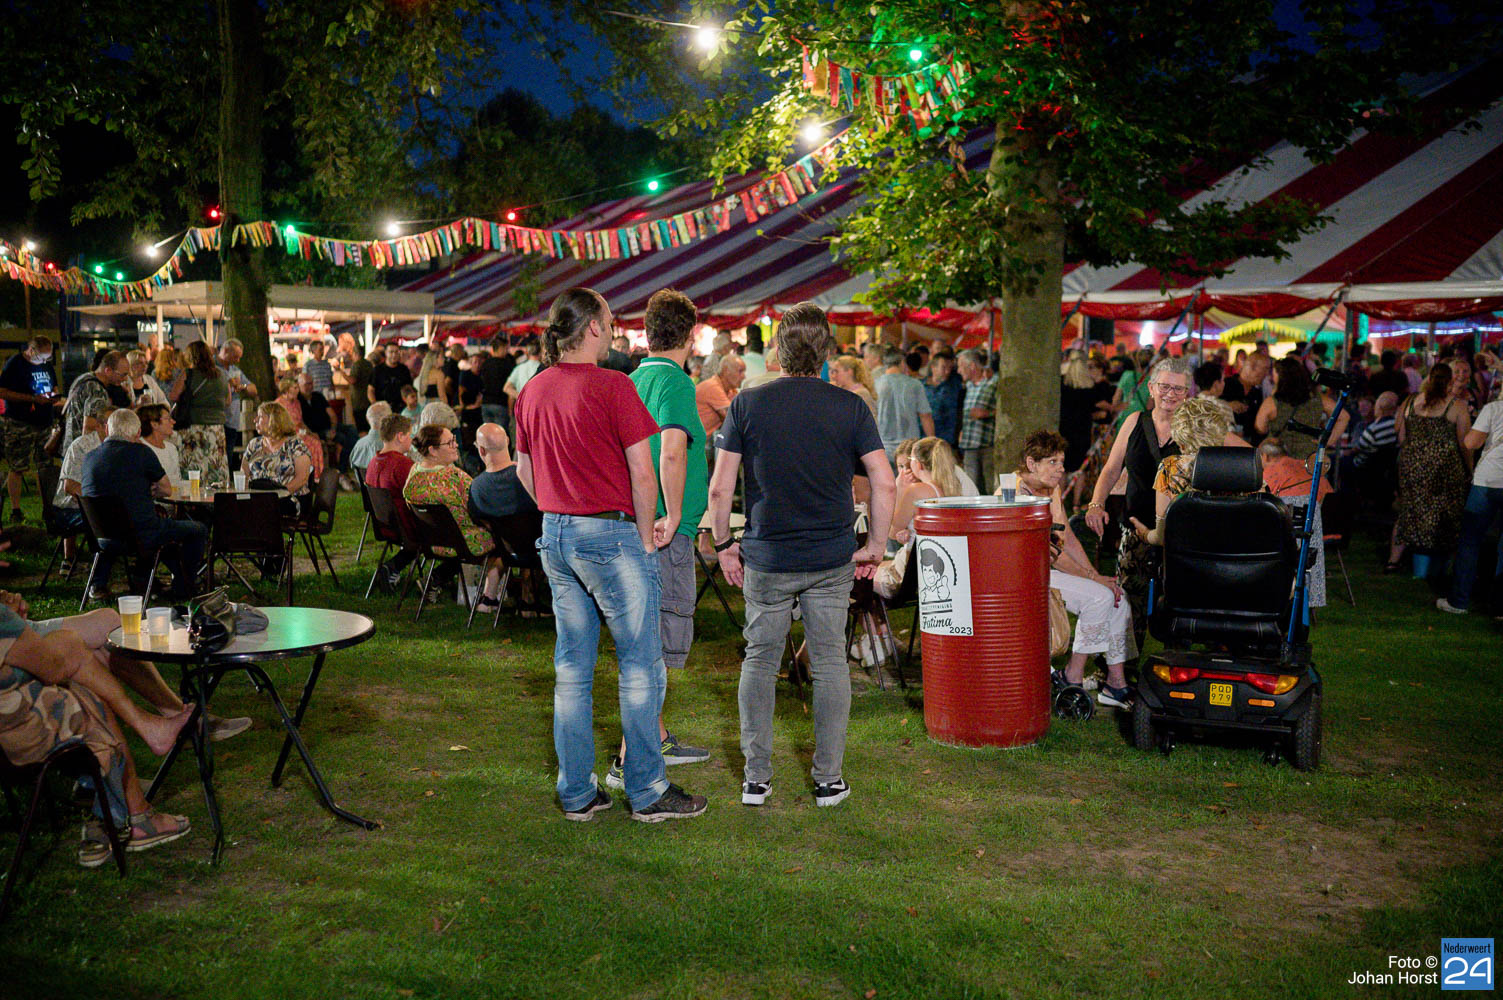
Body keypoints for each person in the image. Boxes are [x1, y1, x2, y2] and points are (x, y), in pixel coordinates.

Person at [514, 286, 706, 823]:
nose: (616, 329)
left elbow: (524, 472)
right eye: (610, 321)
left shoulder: (532, 390)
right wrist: (645, 539)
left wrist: (558, 509)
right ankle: (646, 790)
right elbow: (644, 474)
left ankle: (577, 791)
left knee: (572, 669)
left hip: (557, 536)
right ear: (593, 329)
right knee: (640, 667)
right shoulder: (612, 387)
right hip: (612, 536)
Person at [708, 301, 894, 809]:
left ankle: (756, 778)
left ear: (778, 349)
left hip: (768, 555)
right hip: (831, 555)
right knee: (831, 662)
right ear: (827, 352)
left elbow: (721, 489)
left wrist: (723, 544)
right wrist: (876, 546)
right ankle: (828, 779)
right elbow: (883, 479)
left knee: (760, 660)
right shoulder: (850, 405)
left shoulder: (748, 403)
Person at [602, 288, 714, 792]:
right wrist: (669, 515)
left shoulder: (631, 380)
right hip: (663, 532)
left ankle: (658, 737)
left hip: (632, 525)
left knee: (642, 637)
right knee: (658, 646)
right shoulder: (674, 382)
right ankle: (630, 758)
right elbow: (672, 450)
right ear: (690, 335)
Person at [0, 593, 196, 866]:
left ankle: (152, 728)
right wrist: (10, 620)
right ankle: (136, 816)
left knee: (93, 637)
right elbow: (52, 668)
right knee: (83, 682)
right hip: (16, 740)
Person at [1087, 358, 1234, 644]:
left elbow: (1243, 454)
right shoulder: (1134, 422)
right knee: (1128, 605)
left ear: (1187, 394)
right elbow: (1111, 468)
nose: (1171, 394)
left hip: (1184, 536)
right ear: (1151, 388)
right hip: (1136, 527)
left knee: (1181, 604)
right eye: (1164, 386)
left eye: (1179, 389)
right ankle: (1119, 677)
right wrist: (1096, 503)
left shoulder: (1196, 428)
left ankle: (1176, 672)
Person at [1016, 431, 1137, 708]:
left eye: (1061, 462)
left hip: (1048, 569)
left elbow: (1067, 538)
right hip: (1026, 575)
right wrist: (1094, 579)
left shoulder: (1051, 488)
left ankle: (1115, 684)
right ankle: (1072, 676)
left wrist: (1094, 574)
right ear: (1032, 464)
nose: (1061, 469)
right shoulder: (1016, 492)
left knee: (1118, 598)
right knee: (1101, 597)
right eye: (1053, 462)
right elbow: (1051, 553)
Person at [80, 409, 207, 599]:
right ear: (138, 433)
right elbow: (166, 489)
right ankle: (184, 585)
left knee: (154, 527)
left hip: (101, 536)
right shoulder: (141, 452)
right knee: (197, 529)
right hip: (140, 535)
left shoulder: (89, 457)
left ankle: (122, 580)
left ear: (107, 429)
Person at [1388, 362, 1472, 574]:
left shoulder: (1409, 401)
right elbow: (1465, 443)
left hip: (1411, 464)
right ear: (1450, 381)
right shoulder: (1457, 406)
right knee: (1444, 514)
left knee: (1408, 511)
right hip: (1444, 468)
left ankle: (1393, 561)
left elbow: (1401, 436)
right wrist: (1470, 468)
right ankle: (1438, 567)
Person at [1438, 391, 1503, 616]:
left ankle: (1459, 600)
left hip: (1489, 480)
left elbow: (1471, 442)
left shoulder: (1494, 409)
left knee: (1470, 541)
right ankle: (1499, 606)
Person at [0, 335, 64, 523]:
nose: (45, 361)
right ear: (32, 350)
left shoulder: (45, 364)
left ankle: (47, 507)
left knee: (44, 466)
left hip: (44, 422)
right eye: (43, 357)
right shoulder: (15, 363)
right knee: (17, 466)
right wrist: (33, 399)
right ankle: (16, 509)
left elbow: (53, 384)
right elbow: (2, 391)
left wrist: (53, 394)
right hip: (20, 423)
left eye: (48, 358)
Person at [56, 400, 113, 571]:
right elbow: (70, 486)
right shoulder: (82, 446)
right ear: (101, 426)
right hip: (70, 508)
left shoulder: (118, 447)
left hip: (102, 505)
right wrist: (101, 503)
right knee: (108, 520)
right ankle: (99, 579)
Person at [1255, 357, 1348, 462]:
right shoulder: (1318, 398)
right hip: (1309, 459)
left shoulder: (1272, 402)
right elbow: (1344, 416)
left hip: (1279, 460)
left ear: (1280, 376)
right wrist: (1329, 440)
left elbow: (1260, 428)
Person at [365, 414, 419, 589]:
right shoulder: (403, 464)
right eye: (409, 435)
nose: (411, 439)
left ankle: (393, 568)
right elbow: (418, 495)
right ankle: (436, 580)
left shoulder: (373, 462)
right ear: (400, 436)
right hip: (406, 528)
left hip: (383, 525)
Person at [176, 340, 231, 489]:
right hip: (217, 429)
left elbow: (173, 396)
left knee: (193, 466)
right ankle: (217, 498)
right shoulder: (221, 375)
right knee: (215, 464)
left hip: (193, 428)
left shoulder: (188, 374)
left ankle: (193, 499)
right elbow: (228, 400)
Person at [61, 350, 130, 457]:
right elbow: (89, 428)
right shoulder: (97, 391)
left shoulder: (83, 378)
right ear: (108, 370)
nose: (125, 379)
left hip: (70, 449)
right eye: (122, 375)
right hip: (81, 455)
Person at [242, 402, 314, 502]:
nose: (255, 420)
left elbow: (302, 478)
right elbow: (243, 476)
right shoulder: (254, 444)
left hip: (290, 498)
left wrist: (279, 495)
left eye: (260, 417)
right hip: (258, 500)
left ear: (274, 420)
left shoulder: (295, 445)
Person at [875, 349, 935, 463]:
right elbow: (925, 416)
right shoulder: (915, 384)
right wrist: (932, 443)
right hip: (909, 447)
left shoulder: (875, 384)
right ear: (903, 362)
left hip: (881, 446)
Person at [956, 348, 998, 493]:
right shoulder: (968, 385)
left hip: (987, 444)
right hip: (969, 443)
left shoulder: (993, 382)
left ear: (972, 366)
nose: (959, 370)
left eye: (961, 366)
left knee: (990, 486)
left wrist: (988, 413)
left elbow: (1008, 411)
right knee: (970, 487)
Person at [216, 338, 258, 460]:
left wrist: (242, 386)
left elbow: (253, 389)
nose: (238, 360)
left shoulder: (235, 370)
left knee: (228, 456)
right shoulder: (213, 368)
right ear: (225, 351)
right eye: (235, 357)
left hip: (232, 422)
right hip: (218, 421)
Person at [1220, 351, 1271, 442]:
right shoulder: (1225, 385)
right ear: (1252, 367)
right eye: (1265, 369)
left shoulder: (1257, 393)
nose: (1267, 374)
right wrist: (1227, 405)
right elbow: (1206, 406)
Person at [695, 352, 745, 440]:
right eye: (740, 371)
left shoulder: (731, 391)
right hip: (688, 444)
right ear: (726, 370)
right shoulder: (712, 387)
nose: (744, 376)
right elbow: (733, 420)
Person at [924, 350, 964, 448]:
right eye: (944, 367)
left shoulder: (954, 384)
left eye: (950, 368)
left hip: (947, 441)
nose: (947, 371)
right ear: (933, 367)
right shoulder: (921, 386)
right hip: (923, 439)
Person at [136, 403, 182, 485]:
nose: (173, 422)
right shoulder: (140, 448)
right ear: (154, 424)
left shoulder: (171, 448)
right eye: (168, 419)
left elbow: (176, 480)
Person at [478, 338, 516, 429]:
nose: (507, 351)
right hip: (500, 404)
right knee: (500, 436)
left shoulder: (485, 364)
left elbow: (480, 383)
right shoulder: (507, 365)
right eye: (506, 349)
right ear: (500, 348)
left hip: (486, 403)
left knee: (487, 435)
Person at [348, 401, 392, 474]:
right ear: (388, 420)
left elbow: (353, 465)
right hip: (385, 484)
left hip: (363, 485)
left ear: (368, 420)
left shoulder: (358, 445)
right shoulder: (390, 445)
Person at [503, 338, 542, 412]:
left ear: (527, 352)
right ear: (541, 352)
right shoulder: (544, 369)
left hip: (522, 407)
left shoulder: (519, 367)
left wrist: (521, 397)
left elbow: (506, 388)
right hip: (537, 407)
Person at [371, 344, 413, 410]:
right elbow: (370, 390)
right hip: (383, 409)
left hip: (401, 409)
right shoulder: (377, 370)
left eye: (396, 352)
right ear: (386, 353)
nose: (394, 355)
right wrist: (375, 405)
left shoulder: (404, 369)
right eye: (391, 352)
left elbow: (409, 389)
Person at [349, 346, 377, 432]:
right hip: (368, 401)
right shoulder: (369, 364)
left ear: (355, 354)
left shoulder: (356, 365)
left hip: (358, 401)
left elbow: (352, 380)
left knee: (361, 427)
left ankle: (363, 444)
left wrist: (341, 371)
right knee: (368, 426)